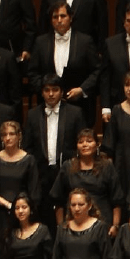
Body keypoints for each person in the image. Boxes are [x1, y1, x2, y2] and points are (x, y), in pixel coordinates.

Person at [27, 2, 102, 127]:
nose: (59, 20)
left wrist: (82, 89)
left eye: (63, 16)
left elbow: (97, 70)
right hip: (48, 106)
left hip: (80, 104)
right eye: (55, 17)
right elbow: (32, 72)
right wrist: (46, 91)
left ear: (71, 18)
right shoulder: (40, 42)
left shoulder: (85, 41)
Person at [28, 77, 88, 212]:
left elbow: (82, 142)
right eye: (47, 90)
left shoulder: (75, 113)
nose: (50, 94)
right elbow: (28, 146)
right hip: (41, 174)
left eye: (55, 90)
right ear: (42, 93)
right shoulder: (33, 114)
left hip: (68, 172)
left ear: (62, 92)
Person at [49, 127, 121, 234]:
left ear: (97, 145)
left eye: (89, 141)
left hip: (103, 223)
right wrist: (60, 226)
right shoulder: (68, 166)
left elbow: (117, 200)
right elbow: (58, 199)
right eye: (80, 142)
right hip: (74, 223)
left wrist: (115, 225)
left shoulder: (107, 166)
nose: (85, 144)